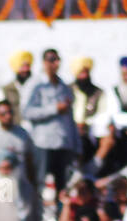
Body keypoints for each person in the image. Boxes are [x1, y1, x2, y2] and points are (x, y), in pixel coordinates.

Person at [19, 48, 77, 194]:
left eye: (57, 59)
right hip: (43, 143)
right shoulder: (36, 84)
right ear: (44, 62)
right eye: (51, 59)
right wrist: (54, 108)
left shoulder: (63, 86)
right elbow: (26, 112)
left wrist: (76, 145)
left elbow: (70, 118)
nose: (55, 63)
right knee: (40, 184)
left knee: (63, 187)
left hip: (63, 143)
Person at [2, 51, 32, 121]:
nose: (25, 69)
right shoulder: (7, 89)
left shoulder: (36, 87)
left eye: (27, 66)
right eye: (22, 66)